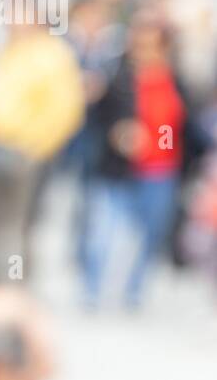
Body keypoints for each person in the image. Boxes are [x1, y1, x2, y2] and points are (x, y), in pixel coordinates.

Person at [81, 17, 190, 309]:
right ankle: (92, 290)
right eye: (139, 44)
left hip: (160, 169)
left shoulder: (175, 78)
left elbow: (179, 125)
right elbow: (98, 119)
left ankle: (134, 290)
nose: (144, 51)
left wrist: (164, 146)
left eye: (152, 45)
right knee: (103, 230)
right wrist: (117, 131)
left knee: (149, 234)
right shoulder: (116, 74)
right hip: (119, 167)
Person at [0, 10, 84, 284]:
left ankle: (15, 284)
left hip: (26, 151)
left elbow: (66, 110)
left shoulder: (53, 55)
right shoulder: (9, 50)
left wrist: (36, 146)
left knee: (17, 224)